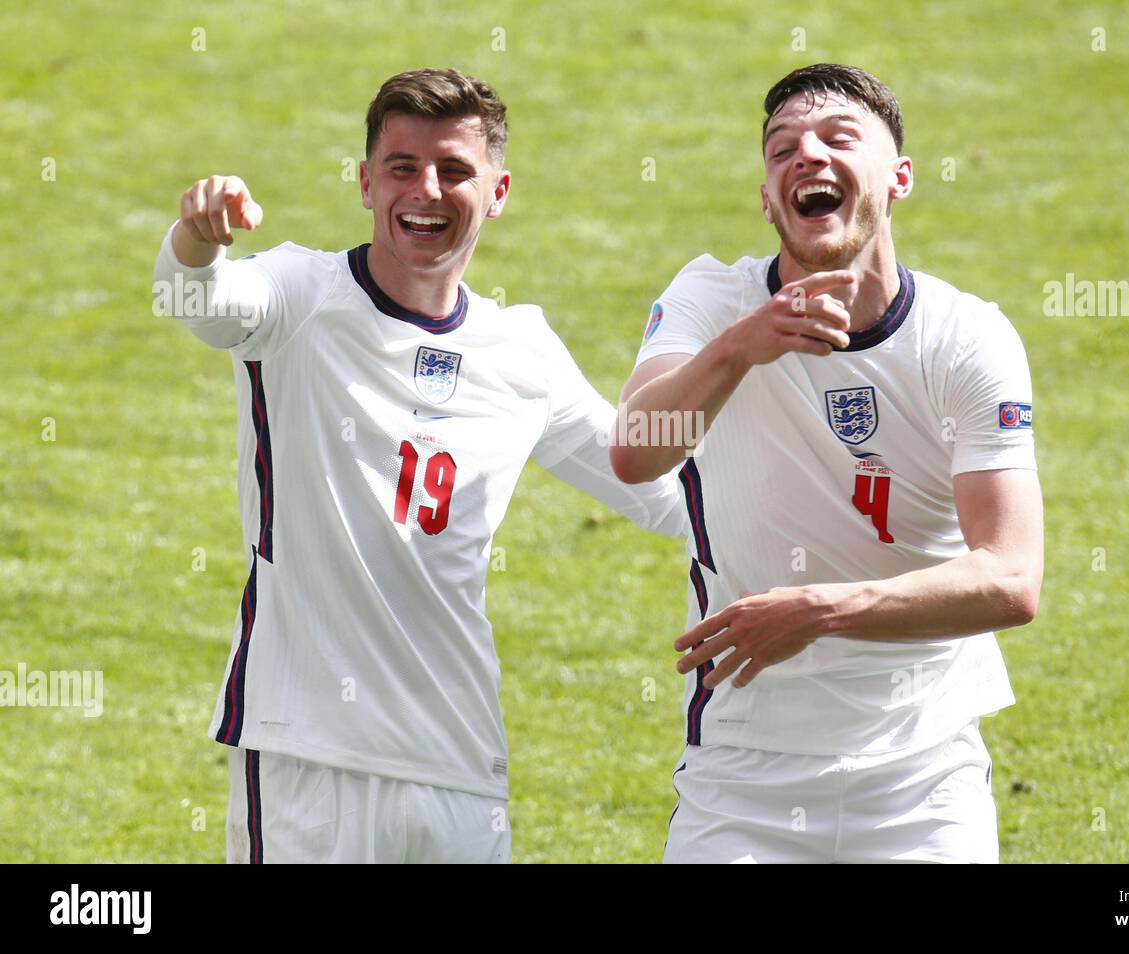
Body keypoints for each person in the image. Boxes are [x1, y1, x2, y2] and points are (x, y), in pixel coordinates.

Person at [152, 68, 684, 864]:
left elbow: (658, 486)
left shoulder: (522, 351)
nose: (425, 190)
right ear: (366, 182)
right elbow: (192, 300)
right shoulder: (302, 296)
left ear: (498, 191)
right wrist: (197, 236)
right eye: (402, 167)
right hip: (308, 757)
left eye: (454, 171)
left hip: (460, 764)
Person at [611, 63, 1043, 863]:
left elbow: (1012, 580)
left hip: (924, 778)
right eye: (781, 150)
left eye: (838, 138)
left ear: (899, 177)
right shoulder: (713, 301)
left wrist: (823, 609)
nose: (806, 156)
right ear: (768, 198)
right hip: (743, 777)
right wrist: (743, 346)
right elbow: (636, 453)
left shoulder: (967, 339)